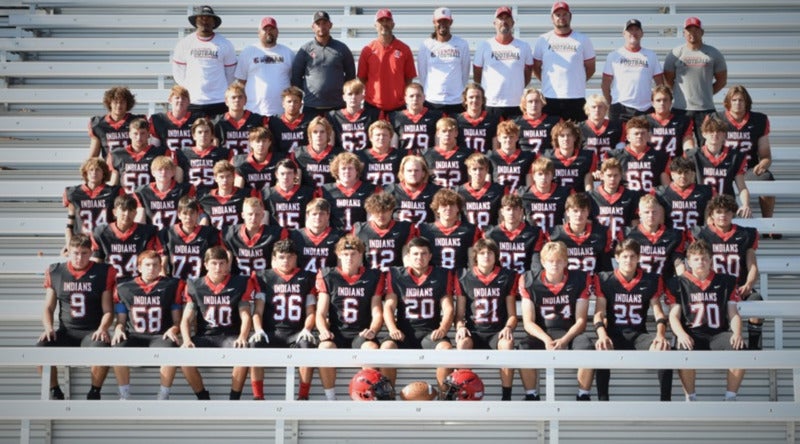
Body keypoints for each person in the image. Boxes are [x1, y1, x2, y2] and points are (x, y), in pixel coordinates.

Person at [37, 234, 116, 400]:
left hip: (91, 332)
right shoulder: (56, 271)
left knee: (103, 349)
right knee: (40, 349)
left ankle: (94, 392)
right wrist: (48, 328)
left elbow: (108, 310)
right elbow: (48, 307)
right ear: (68, 251)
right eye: (76, 253)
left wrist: (102, 329)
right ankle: (55, 390)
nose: (80, 258)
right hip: (66, 331)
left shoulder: (103, 271)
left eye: (84, 253)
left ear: (91, 252)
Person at [666, 240, 745, 401]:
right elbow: (674, 315)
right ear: (688, 262)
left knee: (739, 349)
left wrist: (737, 333)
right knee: (682, 350)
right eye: (696, 259)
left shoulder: (725, 281)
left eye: (704, 258)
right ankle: (691, 397)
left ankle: (730, 397)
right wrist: (681, 334)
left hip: (718, 333)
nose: (700, 262)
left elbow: (733, 313)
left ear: (711, 260)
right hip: (692, 333)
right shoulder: (679, 282)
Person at [593, 239, 672, 401]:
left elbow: (658, 313)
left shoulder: (650, 280)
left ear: (638, 258)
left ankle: (665, 401)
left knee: (664, 349)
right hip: (614, 334)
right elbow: (599, 313)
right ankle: (603, 401)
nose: (628, 260)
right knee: (602, 349)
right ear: (617, 258)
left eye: (632, 256)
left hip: (638, 335)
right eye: (624, 256)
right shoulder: (605, 279)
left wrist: (660, 335)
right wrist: (602, 335)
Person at [518, 241, 593, 400]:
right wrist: (546, 340)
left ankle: (583, 395)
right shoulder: (529, 280)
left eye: (559, 260)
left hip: (569, 332)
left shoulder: (579, 279)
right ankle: (531, 395)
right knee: (523, 347)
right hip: (542, 333)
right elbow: (528, 322)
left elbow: (581, 321)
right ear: (543, 262)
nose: (554, 264)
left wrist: (565, 340)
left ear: (566, 262)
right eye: (550, 260)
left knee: (587, 346)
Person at [180, 246, 255, 400]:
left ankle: (234, 398)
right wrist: (186, 340)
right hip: (205, 335)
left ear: (227, 265)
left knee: (244, 350)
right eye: (214, 263)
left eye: (222, 263)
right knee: (182, 355)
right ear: (205, 265)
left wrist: (242, 337)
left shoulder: (239, 283)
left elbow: (245, 315)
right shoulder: (195, 285)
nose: (218, 267)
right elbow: (186, 318)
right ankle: (202, 397)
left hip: (229, 335)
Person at [316, 235, 385, 400]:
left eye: (353, 254)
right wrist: (323, 330)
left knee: (371, 350)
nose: (349, 258)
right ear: (338, 255)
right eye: (345, 254)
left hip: (361, 334)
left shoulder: (373, 276)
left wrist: (373, 330)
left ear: (361, 255)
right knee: (324, 349)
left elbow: (377, 311)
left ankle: (367, 397)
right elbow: (320, 313)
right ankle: (330, 399)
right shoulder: (328, 275)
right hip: (337, 333)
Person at [688, 195, 762, 350]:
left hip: (738, 286)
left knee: (757, 300)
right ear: (711, 214)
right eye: (719, 211)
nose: (723, 215)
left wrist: (749, 284)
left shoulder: (745, 234)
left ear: (733, 213)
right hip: (713, 288)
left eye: (727, 211)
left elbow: (752, 265)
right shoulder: (702, 234)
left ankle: (755, 346)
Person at [380, 236, 455, 387]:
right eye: (415, 254)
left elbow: (448, 307)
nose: (419, 257)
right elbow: (389, 306)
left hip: (430, 333)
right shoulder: (397, 274)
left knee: (446, 350)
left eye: (423, 253)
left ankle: (444, 394)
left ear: (430, 256)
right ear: (408, 256)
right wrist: (393, 329)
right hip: (403, 333)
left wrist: (442, 328)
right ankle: (388, 393)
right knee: (386, 348)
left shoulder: (441, 275)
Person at [251, 239, 318, 400]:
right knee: (254, 345)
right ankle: (258, 397)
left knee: (308, 345)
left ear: (296, 258)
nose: (286, 261)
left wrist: (307, 329)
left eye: (289, 257)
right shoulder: (264, 277)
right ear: (274, 259)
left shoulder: (307, 277)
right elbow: (258, 310)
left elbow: (311, 311)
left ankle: (303, 396)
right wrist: (258, 329)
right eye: (281, 257)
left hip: (296, 333)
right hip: (271, 332)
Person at [111, 250, 183, 400]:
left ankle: (163, 394)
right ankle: (124, 393)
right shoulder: (125, 287)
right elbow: (121, 321)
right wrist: (118, 329)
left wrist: (174, 329)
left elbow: (177, 321)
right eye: (147, 265)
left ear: (160, 267)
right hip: (134, 334)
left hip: (160, 335)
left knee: (171, 351)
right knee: (117, 349)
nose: (151, 268)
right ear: (139, 267)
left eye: (155, 265)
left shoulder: (171, 285)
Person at [454, 238, 518, 400]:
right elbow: (459, 315)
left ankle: (507, 396)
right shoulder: (464, 277)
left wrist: (508, 327)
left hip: (497, 332)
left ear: (496, 256)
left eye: (490, 253)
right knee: (462, 343)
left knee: (507, 344)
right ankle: (463, 392)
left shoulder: (507, 276)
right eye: (482, 253)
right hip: (474, 331)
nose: (486, 256)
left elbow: (512, 315)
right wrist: (460, 327)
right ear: (476, 256)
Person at [718, 85, 776, 228]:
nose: (737, 103)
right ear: (728, 102)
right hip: (724, 168)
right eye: (734, 100)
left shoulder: (758, 120)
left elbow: (766, 155)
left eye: (741, 100)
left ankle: (768, 223)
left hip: (748, 169)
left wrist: (763, 164)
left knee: (766, 179)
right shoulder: (717, 119)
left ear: (746, 102)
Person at [663, 17, 727, 145]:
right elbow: (667, 79)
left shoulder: (713, 53)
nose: (692, 33)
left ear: (702, 32)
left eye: (696, 30)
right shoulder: (675, 53)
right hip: (680, 109)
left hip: (706, 109)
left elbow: (722, 81)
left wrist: (706, 93)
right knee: (678, 147)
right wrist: (678, 94)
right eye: (689, 30)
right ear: (684, 33)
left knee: (707, 146)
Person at [533, 2, 596, 122]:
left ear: (570, 16)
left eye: (564, 14)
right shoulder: (543, 40)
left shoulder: (583, 39)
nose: (561, 17)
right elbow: (536, 67)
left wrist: (577, 81)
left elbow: (591, 68)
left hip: (576, 98)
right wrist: (547, 81)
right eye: (558, 15)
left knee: (577, 133)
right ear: (552, 18)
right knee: (552, 133)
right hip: (550, 98)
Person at [171, 5, 236, 117]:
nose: (205, 21)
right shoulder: (185, 43)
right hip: (193, 101)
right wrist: (190, 90)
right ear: (195, 22)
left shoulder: (225, 44)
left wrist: (218, 90)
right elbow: (178, 73)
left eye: (209, 18)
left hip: (219, 101)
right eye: (201, 18)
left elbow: (230, 74)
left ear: (214, 23)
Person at [292, 11, 356, 117]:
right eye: (318, 24)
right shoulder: (305, 49)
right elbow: (296, 76)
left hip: (337, 106)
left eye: (324, 23)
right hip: (311, 107)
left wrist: (339, 91)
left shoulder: (342, 48)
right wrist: (309, 91)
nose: (321, 27)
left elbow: (351, 76)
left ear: (330, 25)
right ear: (313, 27)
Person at [473, 6, 533, 120]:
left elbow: (528, 71)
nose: (504, 21)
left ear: (513, 23)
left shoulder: (524, 46)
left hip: (516, 104)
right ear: (494, 23)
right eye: (500, 18)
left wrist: (516, 86)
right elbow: (477, 74)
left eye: (507, 18)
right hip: (491, 104)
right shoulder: (484, 46)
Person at [684, 116, 751, 215]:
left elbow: (742, 187)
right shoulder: (693, 155)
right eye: (711, 131)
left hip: (725, 206)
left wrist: (745, 204)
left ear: (724, 135)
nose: (715, 134)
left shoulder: (734, 156)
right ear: (704, 134)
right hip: (701, 205)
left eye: (718, 131)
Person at [601, 19, 664, 121]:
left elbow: (660, 84)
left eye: (636, 30)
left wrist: (657, 104)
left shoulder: (651, 55)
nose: (633, 33)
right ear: (624, 34)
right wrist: (610, 103)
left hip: (646, 109)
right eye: (630, 30)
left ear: (642, 34)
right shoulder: (614, 56)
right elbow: (605, 84)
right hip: (620, 109)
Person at [91, 194, 162, 283]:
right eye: (123, 210)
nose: (127, 214)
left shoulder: (147, 232)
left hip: (136, 284)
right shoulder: (101, 232)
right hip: (111, 282)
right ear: (115, 212)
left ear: (135, 213)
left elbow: (152, 259)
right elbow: (96, 261)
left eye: (131, 210)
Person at [357, 9, 417, 114]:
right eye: (381, 21)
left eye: (387, 20)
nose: (384, 24)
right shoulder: (368, 50)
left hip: (398, 107)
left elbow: (409, 78)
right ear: (375, 26)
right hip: (373, 107)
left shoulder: (404, 49)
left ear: (393, 25)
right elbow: (362, 78)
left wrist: (399, 96)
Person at [62, 158, 125, 255]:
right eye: (91, 170)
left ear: (104, 173)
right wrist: (69, 245)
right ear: (85, 173)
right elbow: (69, 225)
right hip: (82, 242)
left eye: (98, 169)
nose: (94, 173)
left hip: (105, 241)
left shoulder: (114, 192)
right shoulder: (73, 193)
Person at [235, 16, 294, 117]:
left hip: (282, 113)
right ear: (258, 33)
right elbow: (241, 83)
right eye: (265, 29)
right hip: (253, 111)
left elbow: (293, 83)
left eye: (272, 29)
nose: (268, 32)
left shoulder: (288, 53)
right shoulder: (248, 52)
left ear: (277, 32)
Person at [417, 7, 470, 115]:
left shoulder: (462, 44)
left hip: (456, 101)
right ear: (434, 22)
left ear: (451, 22)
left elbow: (465, 72)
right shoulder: (426, 45)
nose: (442, 24)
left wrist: (458, 92)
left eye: (445, 21)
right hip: (432, 101)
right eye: (439, 21)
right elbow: (422, 74)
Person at [546, 193, 613, 274]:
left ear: (588, 212)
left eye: (583, 210)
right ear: (567, 212)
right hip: (565, 281)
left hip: (591, 280)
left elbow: (606, 267)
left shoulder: (600, 234)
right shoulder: (555, 234)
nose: (579, 214)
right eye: (575, 211)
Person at [419, 189, 483, 272]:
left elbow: (472, 260)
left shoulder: (469, 230)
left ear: (458, 208)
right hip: (435, 276)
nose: (448, 208)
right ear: (437, 208)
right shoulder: (426, 230)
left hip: (459, 276)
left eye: (452, 205)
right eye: (444, 205)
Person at [624, 194, 686, 280]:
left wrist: (683, 281)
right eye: (647, 212)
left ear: (660, 213)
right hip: (639, 283)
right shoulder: (630, 235)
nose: (651, 215)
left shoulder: (673, 235)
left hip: (664, 284)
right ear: (640, 214)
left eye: (654, 212)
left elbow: (678, 262)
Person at [162, 195, 222, 281]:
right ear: (179, 215)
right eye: (185, 213)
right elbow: (162, 265)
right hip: (175, 283)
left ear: (197, 214)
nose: (188, 217)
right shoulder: (168, 233)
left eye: (192, 213)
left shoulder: (208, 234)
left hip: (199, 285)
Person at [224, 197, 289, 276]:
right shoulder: (230, 234)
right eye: (250, 214)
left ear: (263, 215)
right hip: (240, 280)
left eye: (257, 214)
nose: (253, 218)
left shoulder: (274, 234)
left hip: (265, 281)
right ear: (243, 215)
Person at [353, 193, 418, 271]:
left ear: (392, 210)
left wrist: (406, 274)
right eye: (377, 211)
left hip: (395, 274)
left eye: (385, 211)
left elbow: (407, 256)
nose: (381, 215)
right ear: (371, 212)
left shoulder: (404, 228)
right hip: (371, 275)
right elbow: (357, 259)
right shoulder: (361, 230)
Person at [107, 118, 173, 195]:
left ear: (148, 134)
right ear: (129, 134)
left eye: (142, 133)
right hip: (126, 199)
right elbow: (111, 182)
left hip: (149, 199)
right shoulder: (116, 154)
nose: (139, 137)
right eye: (135, 133)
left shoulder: (160, 153)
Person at [483, 194, 546, 274]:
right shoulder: (491, 235)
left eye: (515, 209)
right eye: (508, 209)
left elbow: (536, 264)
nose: (511, 213)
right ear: (502, 211)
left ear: (521, 211)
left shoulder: (533, 234)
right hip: (501, 279)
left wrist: (531, 279)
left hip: (524, 277)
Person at [321, 152, 380, 232]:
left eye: (350, 168)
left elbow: (372, 219)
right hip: (336, 235)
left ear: (357, 170)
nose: (347, 171)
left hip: (360, 235)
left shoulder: (369, 189)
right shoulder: (326, 190)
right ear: (337, 171)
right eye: (343, 168)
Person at [134, 155, 195, 231]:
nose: (163, 172)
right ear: (153, 172)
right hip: (153, 235)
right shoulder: (142, 192)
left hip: (175, 235)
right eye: (160, 169)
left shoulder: (184, 190)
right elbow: (140, 219)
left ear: (173, 172)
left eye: (167, 169)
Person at [176, 117, 232, 197]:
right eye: (200, 132)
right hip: (191, 197)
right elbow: (178, 181)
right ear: (194, 135)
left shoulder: (222, 153)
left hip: (213, 198)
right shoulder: (183, 153)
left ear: (212, 135)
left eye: (206, 132)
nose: (203, 135)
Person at [197, 159, 259, 231]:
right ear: (215, 178)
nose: (225, 180)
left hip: (237, 236)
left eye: (228, 176)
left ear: (233, 177)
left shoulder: (245, 195)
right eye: (221, 177)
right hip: (215, 237)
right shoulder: (205, 200)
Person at [611, 116, 669, 193]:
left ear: (648, 136)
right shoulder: (615, 156)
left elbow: (666, 186)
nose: (639, 136)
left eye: (643, 133)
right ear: (628, 137)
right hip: (626, 198)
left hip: (650, 197)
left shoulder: (660, 156)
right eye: (636, 133)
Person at [654, 156, 714, 232]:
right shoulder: (660, 193)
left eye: (686, 172)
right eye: (679, 172)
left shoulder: (706, 192)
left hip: (696, 237)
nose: (683, 176)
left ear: (692, 174)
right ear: (672, 174)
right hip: (671, 237)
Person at [517, 156, 573, 235]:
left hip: (555, 237)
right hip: (532, 238)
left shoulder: (564, 192)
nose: (543, 178)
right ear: (533, 176)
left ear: (552, 175)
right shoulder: (523, 194)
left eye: (547, 174)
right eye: (540, 174)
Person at [587, 157, 641, 239]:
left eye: (616, 175)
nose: (612, 179)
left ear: (621, 176)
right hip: (599, 242)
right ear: (602, 176)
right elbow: (588, 224)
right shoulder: (591, 196)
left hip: (623, 242)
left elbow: (635, 224)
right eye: (609, 175)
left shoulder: (631, 196)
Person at [212, 84, 269, 157]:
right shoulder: (218, 122)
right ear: (226, 101)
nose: (237, 100)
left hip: (250, 162)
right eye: (233, 97)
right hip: (227, 162)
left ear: (245, 100)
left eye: (240, 97)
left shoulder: (257, 120)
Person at [454, 152, 507, 231]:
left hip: (489, 235)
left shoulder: (498, 190)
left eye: (481, 168)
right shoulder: (459, 192)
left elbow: (503, 216)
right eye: (474, 169)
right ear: (469, 171)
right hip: (469, 235)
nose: (478, 172)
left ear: (487, 170)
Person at [262, 158, 319, 230]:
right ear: (276, 175)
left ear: (295, 174)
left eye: (289, 173)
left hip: (300, 235)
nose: (285, 177)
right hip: (276, 235)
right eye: (282, 173)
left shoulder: (307, 193)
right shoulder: (266, 194)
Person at [383, 155, 441, 227]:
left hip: (426, 233)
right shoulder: (391, 190)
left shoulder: (435, 191)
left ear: (423, 173)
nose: (413, 174)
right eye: (409, 171)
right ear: (402, 173)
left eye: (416, 170)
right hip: (400, 233)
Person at [290, 198, 345, 273]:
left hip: (327, 278)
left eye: (321, 214)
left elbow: (340, 266)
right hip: (303, 279)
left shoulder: (338, 237)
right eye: (314, 214)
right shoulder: (296, 235)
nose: (318, 217)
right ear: (307, 215)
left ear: (328, 215)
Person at [89, 86, 144, 158]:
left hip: (131, 164)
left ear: (127, 104)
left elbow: (144, 147)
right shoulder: (99, 124)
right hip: (109, 164)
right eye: (115, 102)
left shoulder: (136, 121)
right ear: (109, 103)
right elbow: (93, 156)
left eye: (122, 102)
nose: (119, 105)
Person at [542, 120, 597, 193]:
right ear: (556, 138)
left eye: (569, 135)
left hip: (578, 197)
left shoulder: (587, 157)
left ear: (575, 137)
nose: (566, 138)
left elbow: (588, 183)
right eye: (562, 136)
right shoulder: (547, 157)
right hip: (555, 198)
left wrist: (589, 197)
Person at [328, 79, 382, 152]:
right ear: (344, 97)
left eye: (357, 93)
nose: (353, 97)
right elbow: (330, 145)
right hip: (343, 157)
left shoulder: (373, 115)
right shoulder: (333, 116)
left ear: (363, 96)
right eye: (350, 94)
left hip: (366, 157)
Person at [391, 82, 443, 154]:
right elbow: (393, 148)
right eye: (411, 96)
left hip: (427, 158)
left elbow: (439, 145)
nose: (415, 99)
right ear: (405, 99)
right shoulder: (395, 117)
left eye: (418, 96)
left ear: (424, 98)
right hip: (405, 158)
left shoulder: (436, 116)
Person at [292, 115, 343, 187]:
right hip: (308, 193)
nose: (319, 135)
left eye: (322, 132)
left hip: (329, 193)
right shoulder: (298, 154)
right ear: (310, 135)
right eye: (315, 132)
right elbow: (295, 183)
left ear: (328, 134)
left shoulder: (338, 155)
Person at [148, 85, 201, 154]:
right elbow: (155, 148)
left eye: (184, 98)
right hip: (168, 159)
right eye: (177, 97)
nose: (180, 100)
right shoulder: (159, 119)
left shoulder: (197, 119)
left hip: (191, 160)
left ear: (189, 102)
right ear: (170, 100)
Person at [646, 85, 695, 158]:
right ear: (653, 103)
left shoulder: (682, 121)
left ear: (671, 102)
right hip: (652, 161)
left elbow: (687, 141)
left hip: (675, 161)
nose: (662, 103)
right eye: (658, 100)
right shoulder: (644, 121)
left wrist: (689, 154)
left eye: (665, 100)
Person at [488, 120, 536, 193]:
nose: (508, 140)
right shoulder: (491, 157)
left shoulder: (527, 157)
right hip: (499, 197)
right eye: (505, 137)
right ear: (499, 138)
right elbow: (488, 184)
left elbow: (529, 186)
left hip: (518, 197)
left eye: (511, 137)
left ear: (517, 138)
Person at [422, 116, 471, 188]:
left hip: (458, 193)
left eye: (450, 131)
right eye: (444, 131)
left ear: (456, 133)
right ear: (438, 133)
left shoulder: (467, 154)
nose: (447, 134)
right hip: (436, 193)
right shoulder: (426, 154)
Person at [232, 126, 285, 192]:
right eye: (258, 141)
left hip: (271, 197)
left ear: (269, 143)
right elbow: (238, 191)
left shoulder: (278, 161)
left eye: (264, 141)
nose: (261, 144)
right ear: (251, 143)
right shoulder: (240, 162)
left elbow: (280, 190)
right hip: (248, 198)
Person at [513, 88, 562, 155]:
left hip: (546, 159)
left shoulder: (555, 122)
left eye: (537, 101)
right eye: (530, 101)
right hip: (524, 160)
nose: (534, 104)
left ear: (542, 103)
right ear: (524, 104)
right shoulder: (515, 123)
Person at [578, 95, 625, 161]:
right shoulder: (579, 128)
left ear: (606, 109)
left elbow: (621, 152)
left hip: (609, 165)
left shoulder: (617, 127)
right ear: (588, 109)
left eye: (600, 107)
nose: (597, 110)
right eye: (593, 107)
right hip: (587, 166)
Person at [268, 86, 313, 155]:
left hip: (303, 159)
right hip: (281, 160)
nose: (292, 104)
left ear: (301, 104)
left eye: (296, 102)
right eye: (289, 101)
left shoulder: (309, 121)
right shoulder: (275, 121)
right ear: (283, 104)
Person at [357, 120, 403, 186]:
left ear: (390, 137)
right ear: (370, 137)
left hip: (393, 192)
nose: (381, 138)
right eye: (378, 135)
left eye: (385, 135)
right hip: (368, 192)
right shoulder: (361, 156)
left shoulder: (400, 155)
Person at [456, 83, 499, 153]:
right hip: (464, 159)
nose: (474, 100)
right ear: (465, 100)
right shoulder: (457, 120)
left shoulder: (492, 120)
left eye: (478, 97)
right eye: (471, 97)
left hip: (484, 158)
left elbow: (495, 151)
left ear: (483, 100)